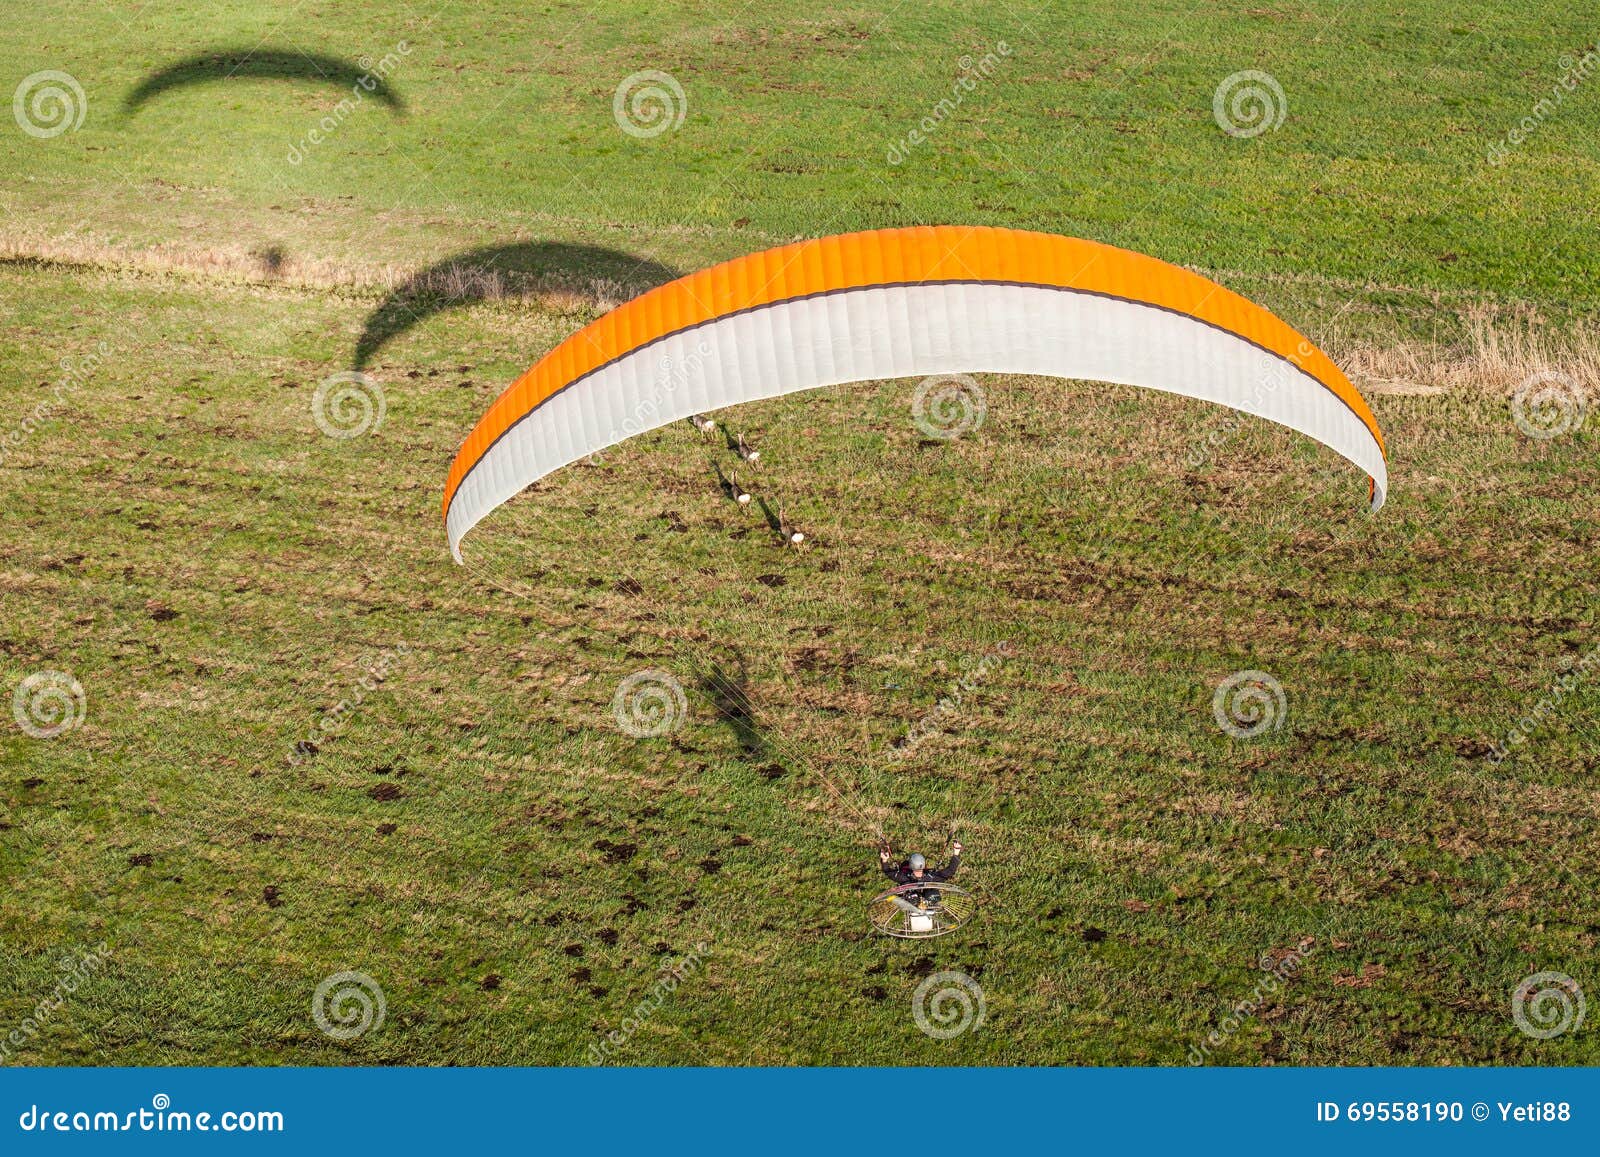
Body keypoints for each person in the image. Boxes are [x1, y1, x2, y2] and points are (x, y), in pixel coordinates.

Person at [879, 842, 963, 916]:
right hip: (915, 899)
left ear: (910, 866)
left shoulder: (903, 877)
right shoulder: (931, 877)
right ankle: (918, 901)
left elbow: (888, 871)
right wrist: (956, 852)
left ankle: (923, 901)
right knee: (918, 897)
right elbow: (950, 871)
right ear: (924, 865)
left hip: (924, 899)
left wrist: (884, 860)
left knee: (931, 895)